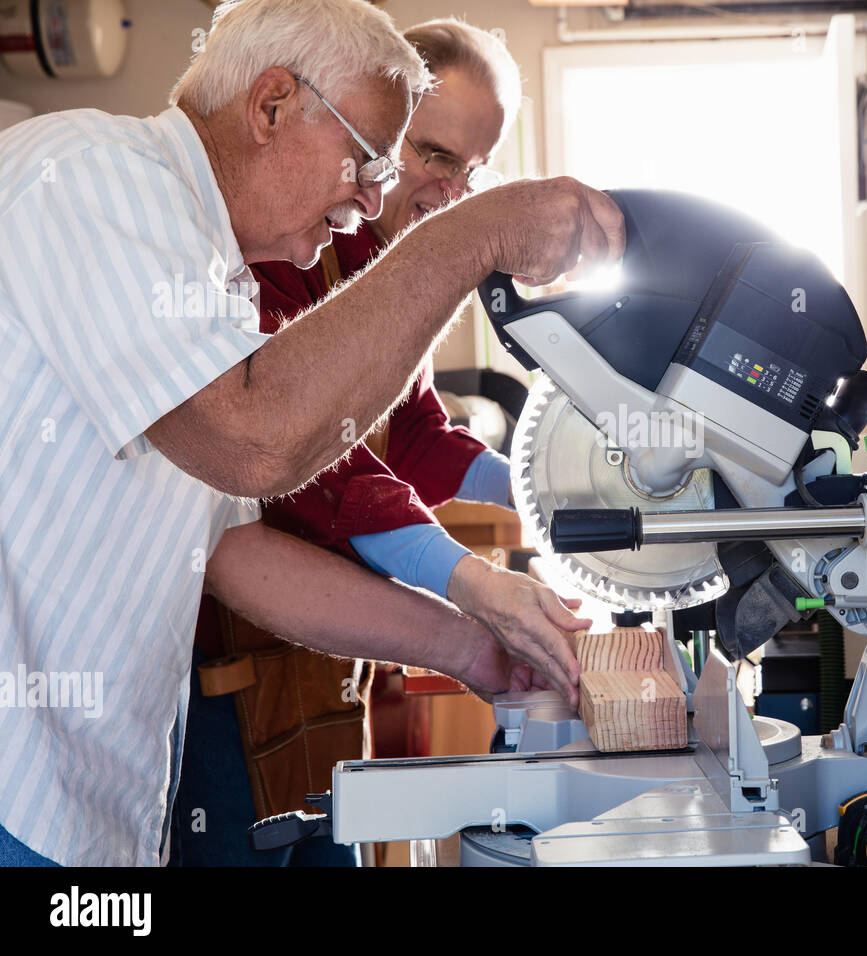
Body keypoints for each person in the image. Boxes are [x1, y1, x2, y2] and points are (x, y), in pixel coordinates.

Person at [0, 0, 623, 867]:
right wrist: (469, 236)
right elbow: (260, 442)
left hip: (94, 798)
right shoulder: (98, 177)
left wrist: (478, 653)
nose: (372, 198)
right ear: (271, 106)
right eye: (370, 159)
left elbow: (235, 550)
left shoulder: (207, 268)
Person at [173, 18, 534, 867]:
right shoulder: (273, 246)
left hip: (321, 658)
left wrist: (539, 492)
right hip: (222, 678)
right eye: (436, 157)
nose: (451, 194)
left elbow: (410, 428)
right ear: (379, 129)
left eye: (474, 172)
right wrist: (465, 579)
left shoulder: (374, 261)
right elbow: (312, 465)